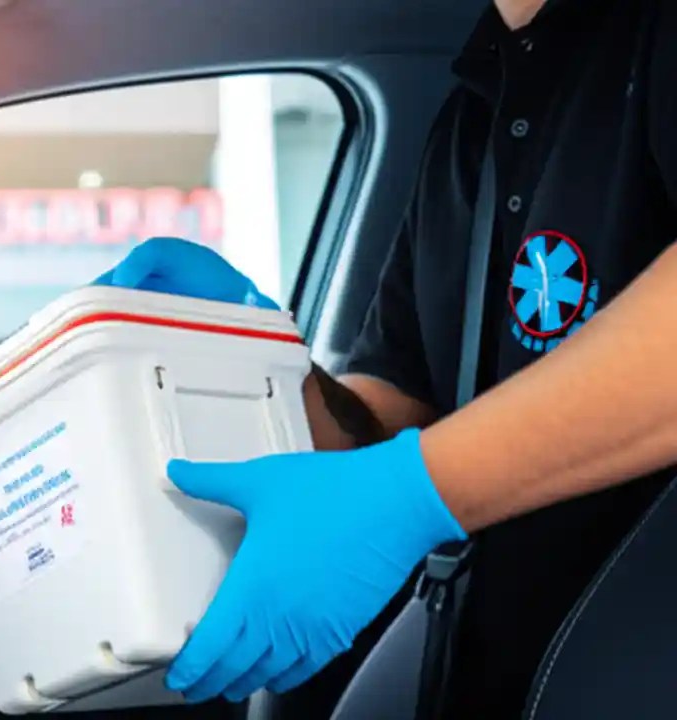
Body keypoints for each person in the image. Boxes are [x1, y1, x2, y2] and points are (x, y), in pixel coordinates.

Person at [94, 0, 677, 717]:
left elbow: (399, 480)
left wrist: (409, 493)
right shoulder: (472, 115)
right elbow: (384, 416)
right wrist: (244, 352)